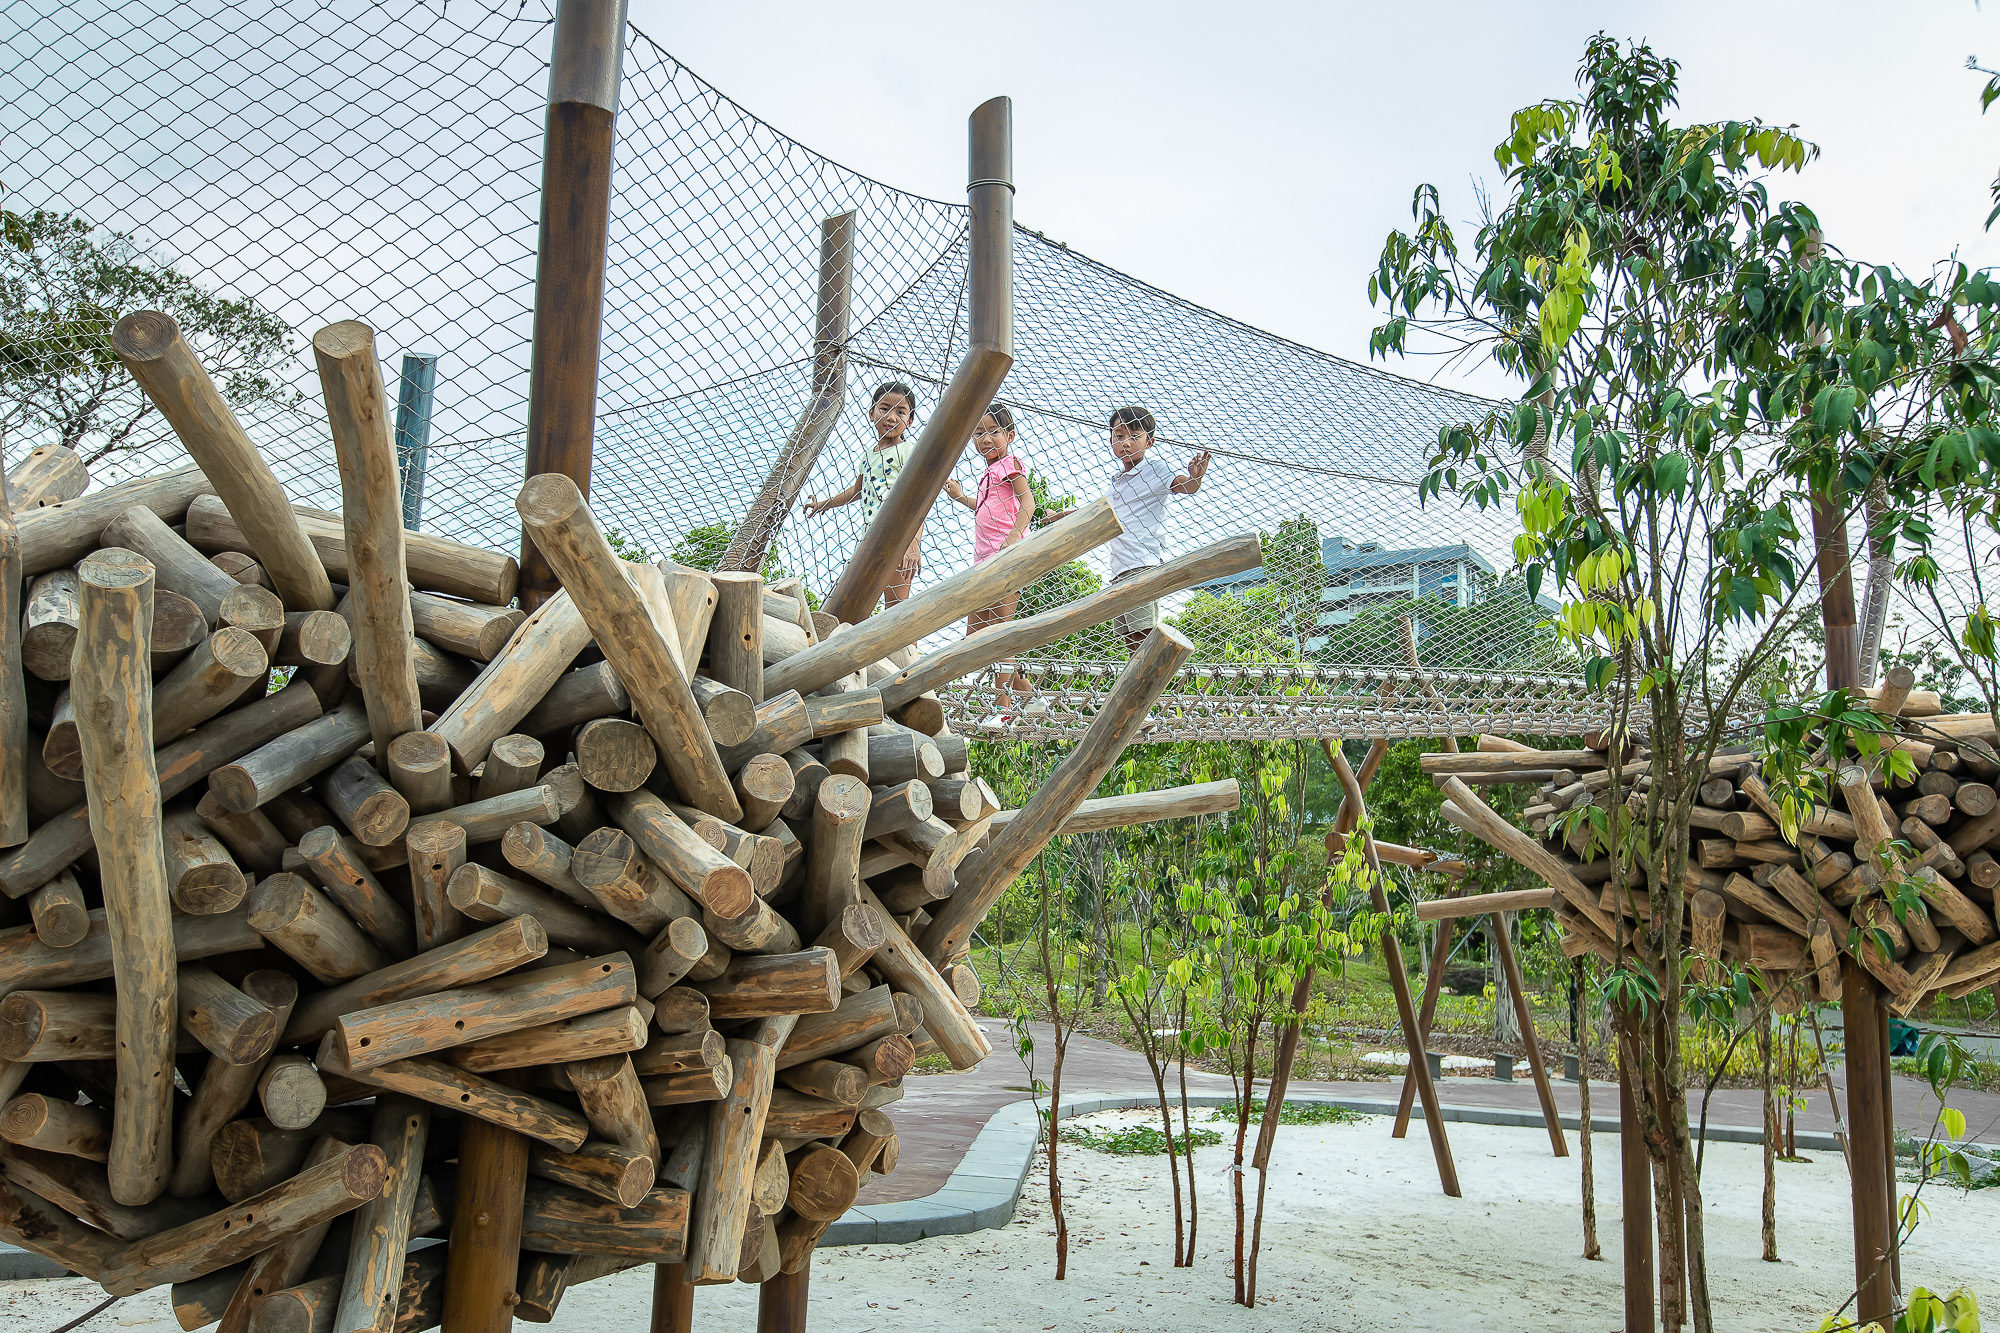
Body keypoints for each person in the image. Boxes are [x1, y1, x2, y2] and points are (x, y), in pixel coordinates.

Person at [1049, 405, 1211, 651]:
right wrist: (1059, 516)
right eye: (1119, 436)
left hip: (1141, 565)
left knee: (1144, 634)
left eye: (1135, 436)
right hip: (1119, 569)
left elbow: (1184, 487)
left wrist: (1195, 477)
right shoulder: (1116, 483)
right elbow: (1096, 512)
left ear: (1150, 441)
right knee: (1130, 640)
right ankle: (1138, 685)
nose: (1126, 442)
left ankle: (1150, 683)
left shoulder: (1154, 470)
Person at [943, 403, 1034, 704]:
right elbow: (985, 509)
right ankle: (1029, 694)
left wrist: (1012, 538)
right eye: (979, 433)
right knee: (976, 633)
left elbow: (1028, 504)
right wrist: (960, 497)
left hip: (1006, 559)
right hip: (983, 563)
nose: (985, 439)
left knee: (999, 630)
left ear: (1010, 434)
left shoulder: (1010, 465)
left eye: (993, 431)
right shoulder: (989, 473)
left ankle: (1003, 704)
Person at [803, 381, 924, 607]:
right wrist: (824, 504)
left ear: (909, 421)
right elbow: (857, 491)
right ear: (871, 413)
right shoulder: (868, 456)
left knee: (896, 605)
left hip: (898, 534)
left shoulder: (908, 451)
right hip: (869, 537)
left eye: (900, 412)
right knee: (855, 599)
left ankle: (903, 644)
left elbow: (920, 498)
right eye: (885, 408)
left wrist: (913, 543)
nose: (891, 417)